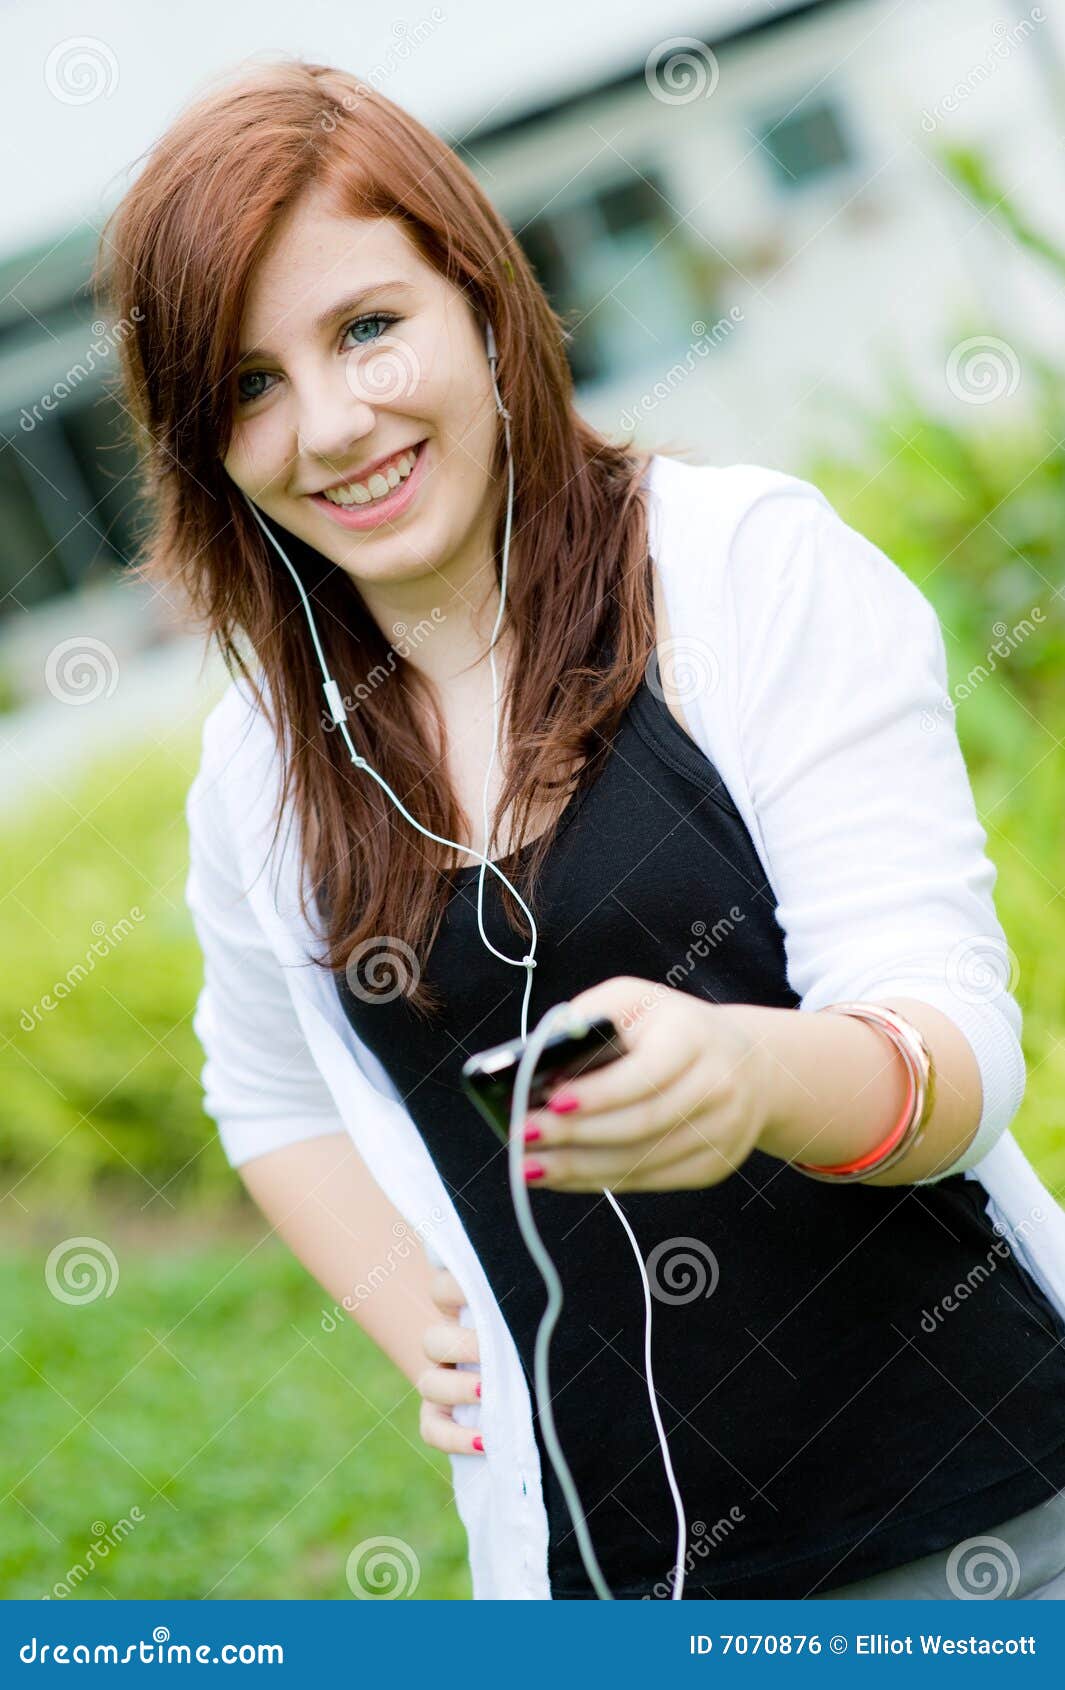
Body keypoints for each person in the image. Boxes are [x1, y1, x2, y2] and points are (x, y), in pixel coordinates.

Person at [97, 58, 1065, 1600]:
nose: (333, 424)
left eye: (366, 327)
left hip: (993, 1525)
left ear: (481, 303)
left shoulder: (740, 569)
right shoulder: (263, 771)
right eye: (249, 383)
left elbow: (949, 1055)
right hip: (598, 1587)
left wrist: (752, 1074)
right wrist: (419, 1308)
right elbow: (260, 1084)